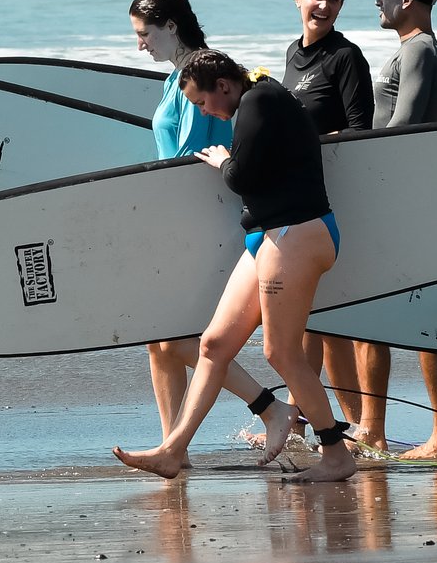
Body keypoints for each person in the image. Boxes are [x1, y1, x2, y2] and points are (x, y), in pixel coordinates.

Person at [114, 50, 360, 483]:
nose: (205, 111)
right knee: (213, 344)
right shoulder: (255, 100)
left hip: (297, 234)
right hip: (270, 235)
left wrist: (222, 160)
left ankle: (336, 455)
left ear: (223, 86)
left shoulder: (259, 100)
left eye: (203, 102)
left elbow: (242, 177)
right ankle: (173, 451)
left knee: (280, 352)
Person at [129, 0, 294, 457]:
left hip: (198, 225)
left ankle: (269, 408)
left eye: (145, 33)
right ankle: (172, 447)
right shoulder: (175, 76)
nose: (140, 44)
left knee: (174, 336)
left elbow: (188, 159)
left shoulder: (196, 76)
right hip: (177, 221)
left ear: (171, 27)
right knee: (158, 341)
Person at [281, 0, 388, 449]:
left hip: (331, 202)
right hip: (296, 199)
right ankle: (311, 421)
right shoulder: (292, 55)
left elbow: (361, 133)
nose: (324, 6)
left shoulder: (346, 57)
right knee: (312, 320)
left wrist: (309, 144)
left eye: (335, 0)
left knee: (331, 320)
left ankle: (356, 427)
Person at [362, 0, 437, 461]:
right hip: (419, 200)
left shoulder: (419, 50)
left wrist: (353, 150)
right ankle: (373, 430)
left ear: (405, 1)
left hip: (407, 204)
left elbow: (403, 134)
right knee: (384, 316)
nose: (377, 2)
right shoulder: (426, 51)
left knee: (419, 317)